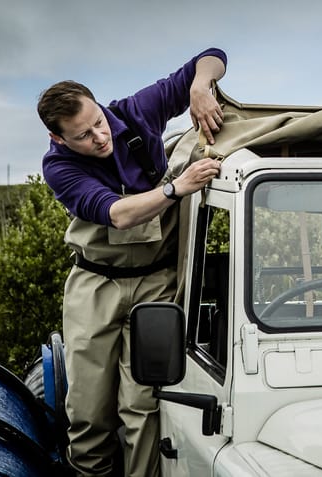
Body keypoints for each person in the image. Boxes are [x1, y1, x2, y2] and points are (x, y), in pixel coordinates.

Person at [37, 48, 227, 477]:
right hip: (96, 285)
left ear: (102, 108)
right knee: (88, 409)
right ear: (59, 139)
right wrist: (177, 189)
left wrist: (200, 85)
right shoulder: (59, 168)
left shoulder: (135, 112)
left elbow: (213, 57)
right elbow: (118, 214)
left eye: (99, 122)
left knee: (143, 404)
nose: (100, 138)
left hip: (156, 280)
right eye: (83, 136)